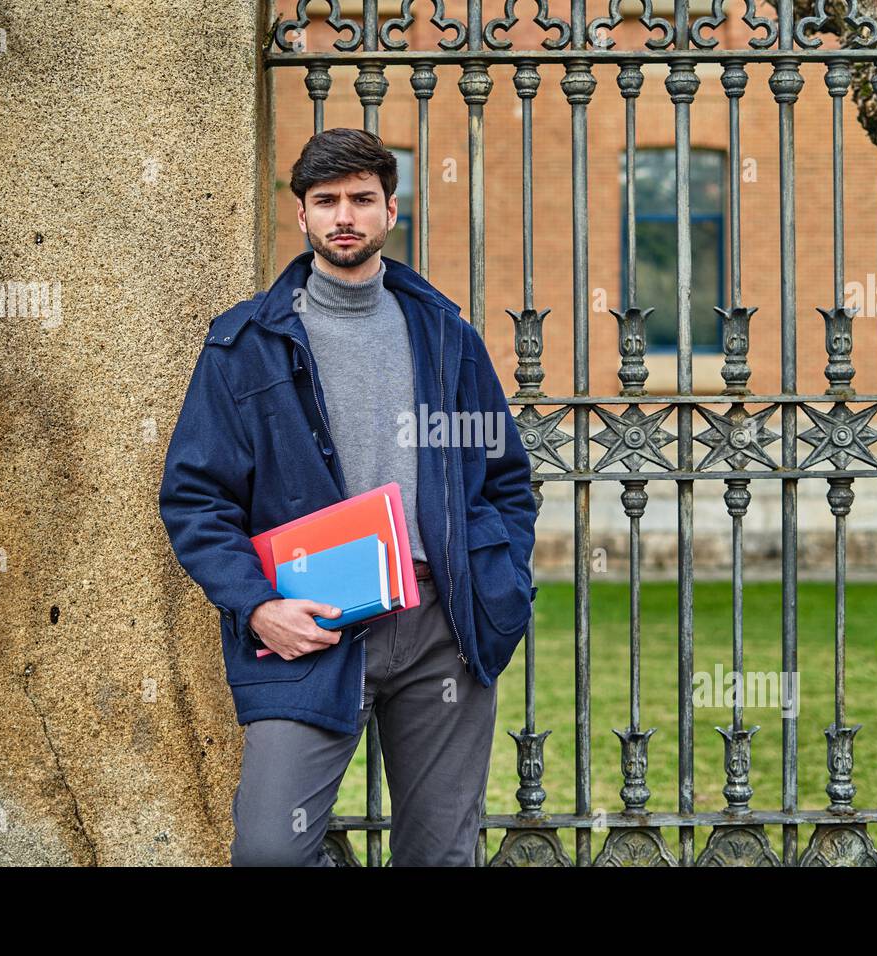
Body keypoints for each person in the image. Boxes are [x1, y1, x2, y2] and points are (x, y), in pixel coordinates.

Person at [158, 127, 538, 866]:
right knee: (270, 850)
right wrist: (259, 605)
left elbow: (506, 478)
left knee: (441, 854)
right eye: (325, 199)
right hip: (310, 627)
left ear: (390, 211)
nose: (344, 215)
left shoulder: (444, 335)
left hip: (441, 628)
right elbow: (194, 498)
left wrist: (500, 581)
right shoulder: (248, 344)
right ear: (299, 214)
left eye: (361, 199)